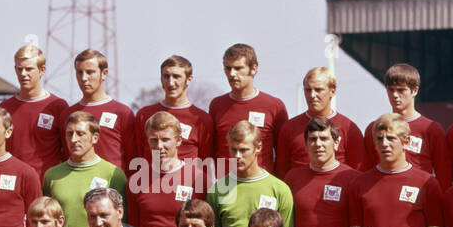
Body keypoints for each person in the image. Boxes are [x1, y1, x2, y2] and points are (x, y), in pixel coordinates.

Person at [348, 114, 444, 227]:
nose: (384, 144)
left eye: (391, 138)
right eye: (379, 138)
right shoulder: (359, 184)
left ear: (406, 142)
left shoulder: (426, 183)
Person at [284, 116, 360, 227]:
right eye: (312, 139)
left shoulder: (352, 178)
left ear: (336, 143)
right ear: (305, 144)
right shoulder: (293, 177)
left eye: (324, 138)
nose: (318, 144)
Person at [207, 121, 294, 227]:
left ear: (258, 147)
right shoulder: (218, 189)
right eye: (233, 149)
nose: (237, 156)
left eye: (243, 150)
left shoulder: (280, 189)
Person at [126, 110, 211, 227]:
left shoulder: (199, 179)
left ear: (178, 140)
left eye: (165, 139)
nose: (159, 146)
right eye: (154, 140)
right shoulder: (136, 181)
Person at [42, 111, 128, 227]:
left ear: (95, 137)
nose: (73, 139)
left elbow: (123, 222)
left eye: (80, 134)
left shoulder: (113, 174)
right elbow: (46, 219)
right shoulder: (52, 175)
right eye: (69, 134)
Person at [363, 63, 452, 187]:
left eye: (401, 90)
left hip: (419, 197)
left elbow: (443, 174)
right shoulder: (374, 129)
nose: (395, 95)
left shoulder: (430, 128)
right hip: (385, 194)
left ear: (414, 90)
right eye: (391, 89)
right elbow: (367, 171)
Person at [208, 43, 288, 174]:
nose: (232, 74)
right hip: (226, 187)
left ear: (253, 69)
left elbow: (283, 154)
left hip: (261, 186)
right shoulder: (217, 105)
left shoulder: (274, 106)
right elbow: (211, 151)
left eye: (238, 68)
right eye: (228, 68)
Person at [275, 66, 366, 177]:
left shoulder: (349, 128)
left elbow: (358, 173)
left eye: (318, 90)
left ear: (332, 91)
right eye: (308, 90)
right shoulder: (289, 128)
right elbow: (281, 172)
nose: (312, 95)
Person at [61, 48, 138, 172]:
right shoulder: (67, 114)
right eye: (79, 72)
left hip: (112, 187)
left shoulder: (122, 112)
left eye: (90, 72)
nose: (84, 78)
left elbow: (133, 158)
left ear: (104, 73)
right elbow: (66, 156)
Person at [0, 42, 68, 177]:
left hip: (46, 184)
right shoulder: (5, 108)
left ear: (42, 70)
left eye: (29, 69)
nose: (23, 74)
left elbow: (67, 150)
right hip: (13, 181)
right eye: (19, 69)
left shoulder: (57, 106)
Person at [133, 54, 214, 163]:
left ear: (189, 79)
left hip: (188, 180)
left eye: (176, 76)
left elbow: (206, 163)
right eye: (166, 76)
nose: (170, 83)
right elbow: (137, 158)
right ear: (161, 79)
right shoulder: (145, 115)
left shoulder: (202, 119)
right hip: (150, 179)